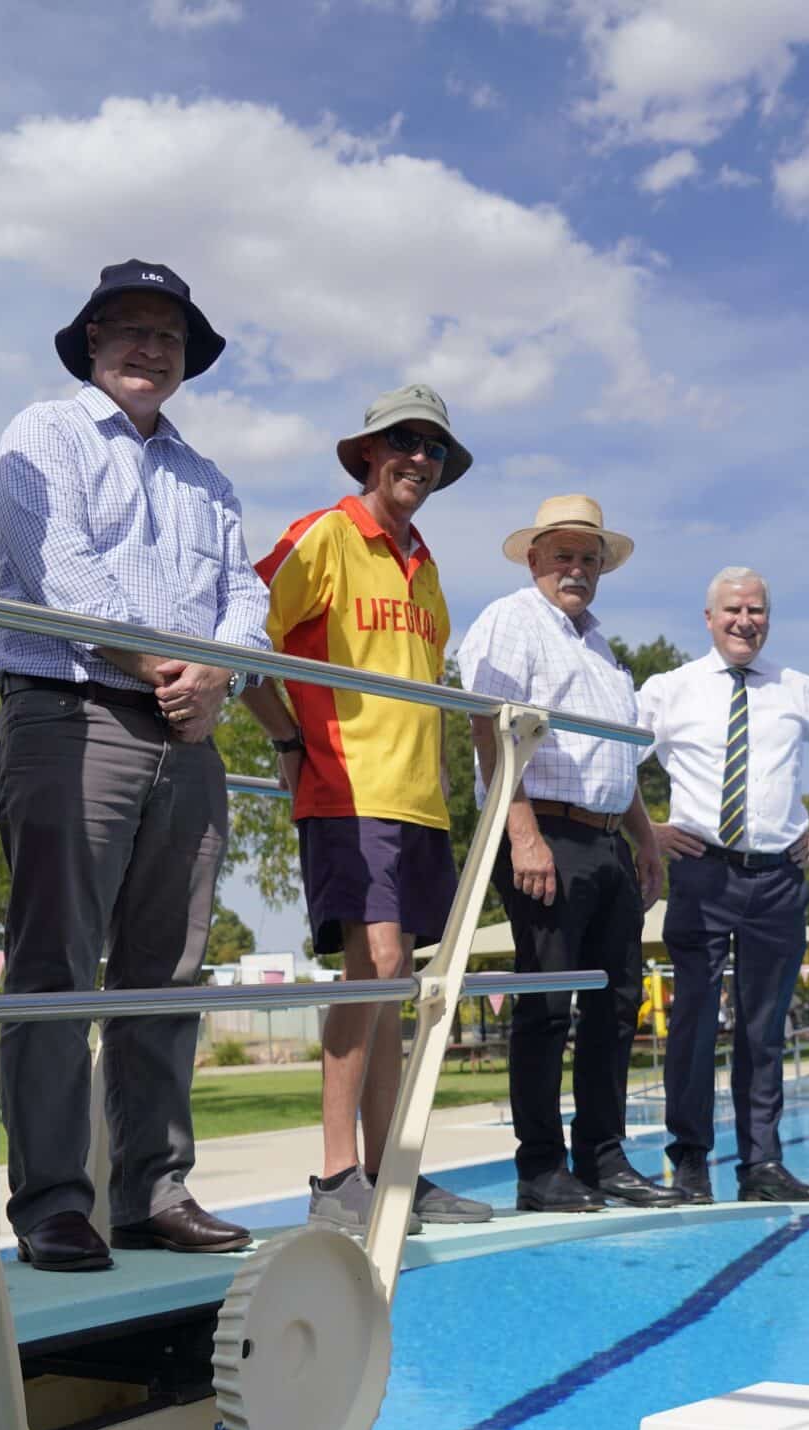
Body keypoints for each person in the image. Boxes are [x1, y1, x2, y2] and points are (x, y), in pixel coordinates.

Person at [0, 260, 268, 1274]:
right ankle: (55, 1199)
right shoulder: (43, 435)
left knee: (168, 970)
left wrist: (219, 680)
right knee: (55, 965)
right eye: (132, 329)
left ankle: (150, 1187)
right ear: (91, 339)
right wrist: (167, 667)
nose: (151, 349)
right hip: (72, 714)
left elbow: (246, 598)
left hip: (188, 734)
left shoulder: (208, 479)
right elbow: (63, 573)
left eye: (170, 336)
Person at [242, 385, 494, 1235]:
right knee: (376, 964)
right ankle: (335, 1173)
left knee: (393, 983)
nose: (416, 457)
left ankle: (392, 1173)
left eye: (431, 447)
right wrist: (286, 739)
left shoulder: (426, 571)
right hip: (349, 789)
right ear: (368, 453)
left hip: (419, 800)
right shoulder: (328, 536)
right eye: (402, 441)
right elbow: (241, 633)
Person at [453, 496, 677, 1213]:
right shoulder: (510, 621)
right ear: (535, 560)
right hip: (544, 831)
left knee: (615, 1005)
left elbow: (621, 755)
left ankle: (604, 1156)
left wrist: (645, 838)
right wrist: (521, 833)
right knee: (545, 1003)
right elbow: (490, 732)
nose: (576, 569)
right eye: (564, 556)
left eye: (589, 558)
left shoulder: (604, 652)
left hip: (606, 836)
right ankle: (540, 1168)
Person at [637, 567, 809, 1205]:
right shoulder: (671, 688)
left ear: (768, 618)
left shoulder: (799, 689)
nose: (746, 621)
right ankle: (689, 1165)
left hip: (779, 878)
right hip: (702, 872)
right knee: (694, 1024)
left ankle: (762, 1164)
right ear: (708, 619)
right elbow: (617, 757)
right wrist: (646, 831)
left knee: (764, 1031)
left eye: (757, 611)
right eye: (733, 610)